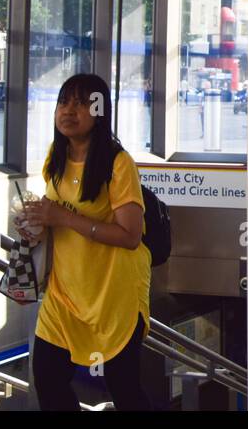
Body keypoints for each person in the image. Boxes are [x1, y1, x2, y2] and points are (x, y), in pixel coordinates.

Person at [23, 73, 152, 411]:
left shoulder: (117, 163)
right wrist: (35, 224)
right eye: (63, 102)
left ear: (99, 110)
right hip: (63, 297)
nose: (69, 110)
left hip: (112, 297)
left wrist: (63, 218)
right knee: (48, 381)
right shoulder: (56, 156)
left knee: (125, 391)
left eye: (81, 103)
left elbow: (130, 235)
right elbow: (54, 220)